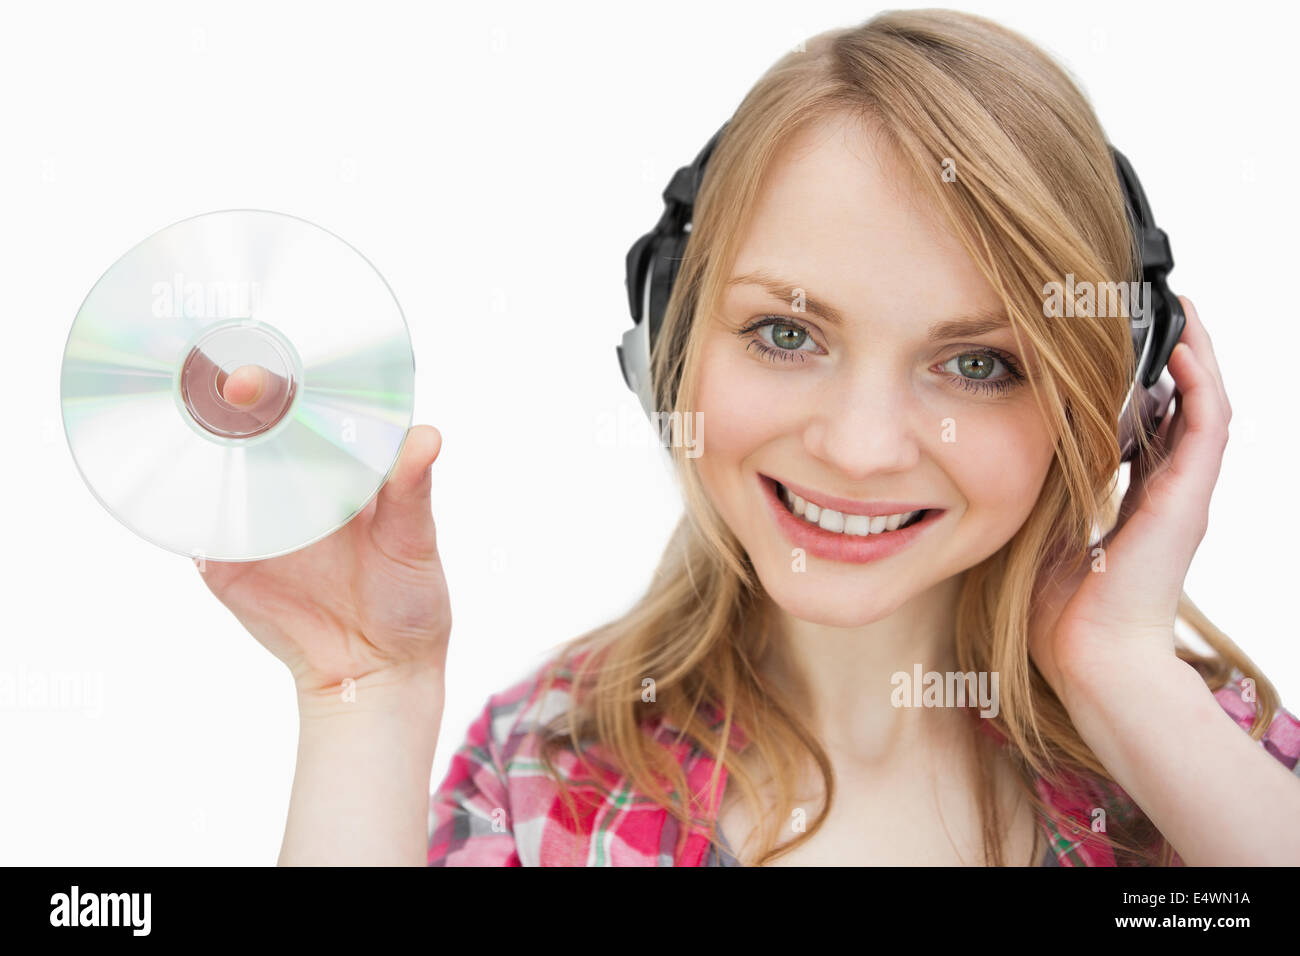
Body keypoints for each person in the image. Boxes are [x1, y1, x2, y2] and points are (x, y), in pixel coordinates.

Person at [198, 9, 1300, 866]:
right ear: (671, 343)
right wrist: (366, 696)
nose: (861, 448)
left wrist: (1118, 668)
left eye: (979, 362)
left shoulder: (1204, 760)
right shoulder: (548, 770)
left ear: (1109, 405)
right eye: (785, 331)